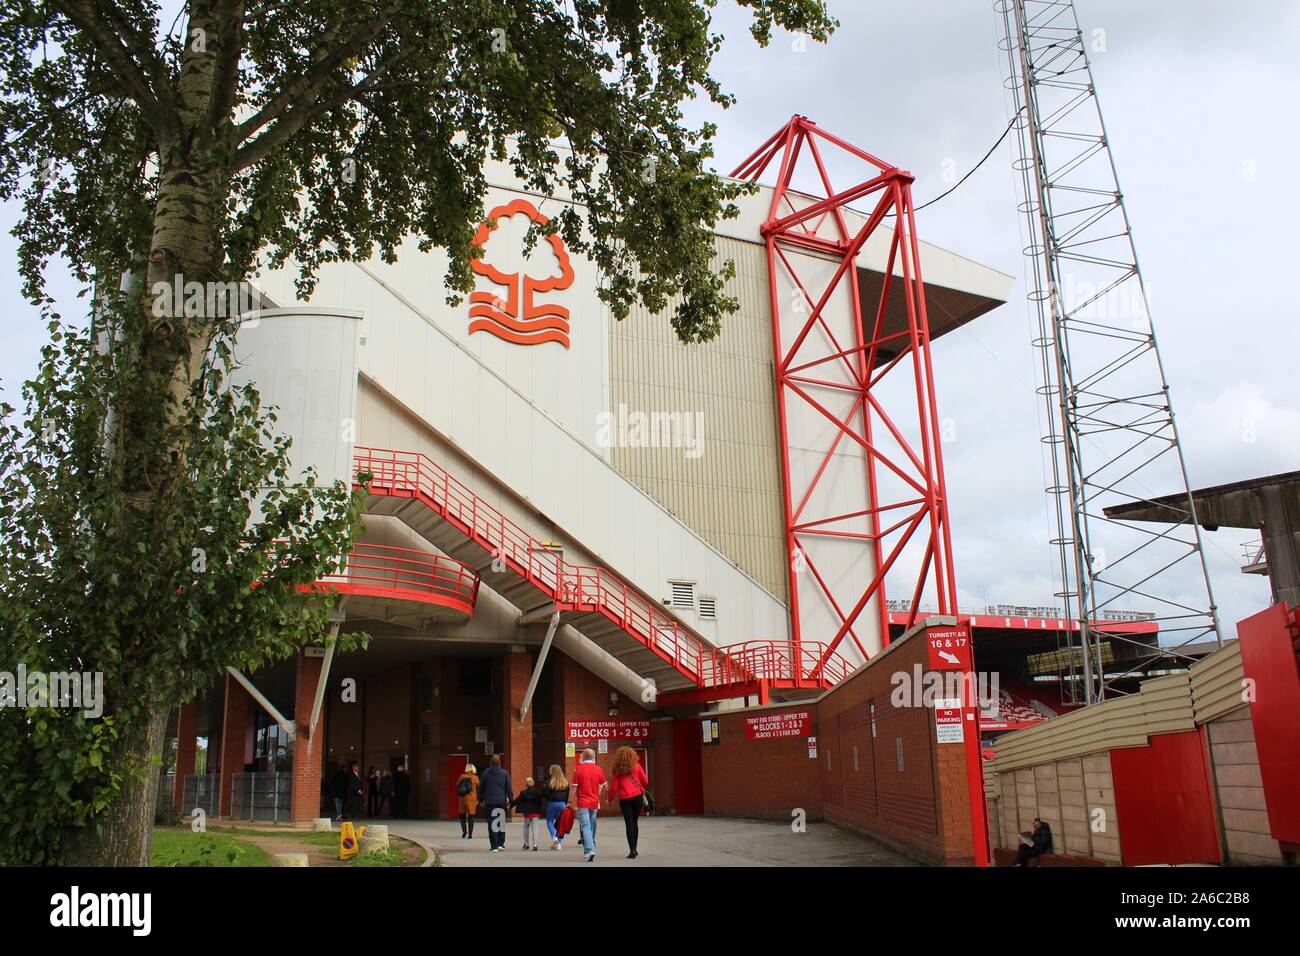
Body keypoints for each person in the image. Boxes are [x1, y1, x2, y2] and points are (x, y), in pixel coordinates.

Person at [607, 746, 650, 859]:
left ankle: (632, 850)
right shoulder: (637, 766)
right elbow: (646, 781)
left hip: (625, 799)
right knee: (635, 822)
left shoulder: (618, 770)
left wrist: (609, 799)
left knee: (629, 823)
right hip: (637, 797)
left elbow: (614, 787)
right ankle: (635, 848)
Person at [570, 748, 607, 862]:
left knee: (585, 827)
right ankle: (588, 850)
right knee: (591, 826)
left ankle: (590, 850)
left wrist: (569, 801)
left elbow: (574, 787)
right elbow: (605, 785)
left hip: (583, 803)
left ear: (583, 757)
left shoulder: (578, 770)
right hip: (594, 803)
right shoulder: (598, 769)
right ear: (592, 757)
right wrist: (601, 794)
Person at [478, 754, 514, 853]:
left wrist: (480, 800)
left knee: (491, 823)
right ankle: (500, 844)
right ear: (499, 762)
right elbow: (509, 788)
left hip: (490, 802)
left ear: (491, 762)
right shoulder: (504, 773)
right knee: (501, 822)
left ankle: (494, 846)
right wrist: (511, 800)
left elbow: (481, 788)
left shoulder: (485, 773)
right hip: (501, 801)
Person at [511, 777, 545, 851]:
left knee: (526, 827)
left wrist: (511, 805)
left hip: (527, 813)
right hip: (535, 813)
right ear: (533, 783)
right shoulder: (537, 792)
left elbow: (517, 800)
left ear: (526, 784)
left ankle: (526, 844)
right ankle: (535, 844)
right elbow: (541, 801)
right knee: (535, 829)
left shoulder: (523, 793)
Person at [542, 764, 570, 850]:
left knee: (550, 821)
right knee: (560, 824)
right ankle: (558, 843)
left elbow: (544, 793)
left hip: (552, 803)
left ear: (552, 771)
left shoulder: (549, 781)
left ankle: (555, 838)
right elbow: (568, 793)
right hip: (562, 804)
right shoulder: (565, 782)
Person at [456, 763, 479, 839]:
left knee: (462, 815)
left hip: (462, 799)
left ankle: (464, 832)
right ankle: (470, 834)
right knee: (471, 816)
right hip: (472, 799)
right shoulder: (475, 778)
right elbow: (479, 787)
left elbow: (457, 785)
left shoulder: (462, 776)